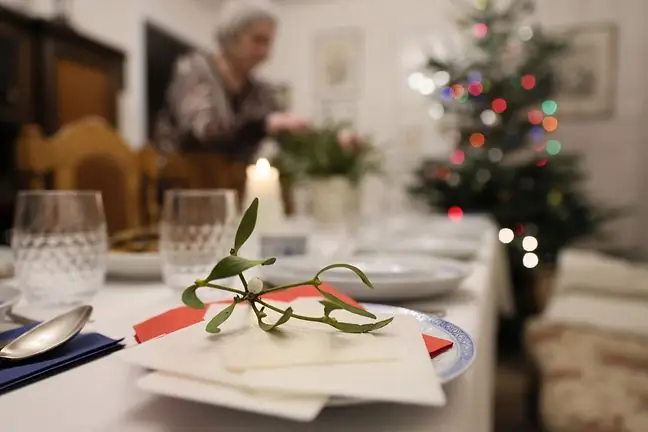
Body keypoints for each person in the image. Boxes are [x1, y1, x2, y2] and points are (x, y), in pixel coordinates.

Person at [154, 0, 308, 208]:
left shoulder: (260, 92)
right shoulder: (194, 70)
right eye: (258, 40)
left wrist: (328, 143)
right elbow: (203, 132)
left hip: (233, 199)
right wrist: (262, 125)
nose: (266, 53)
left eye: (269, 43)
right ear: (232, 36)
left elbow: (289, 134)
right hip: (184, 198)